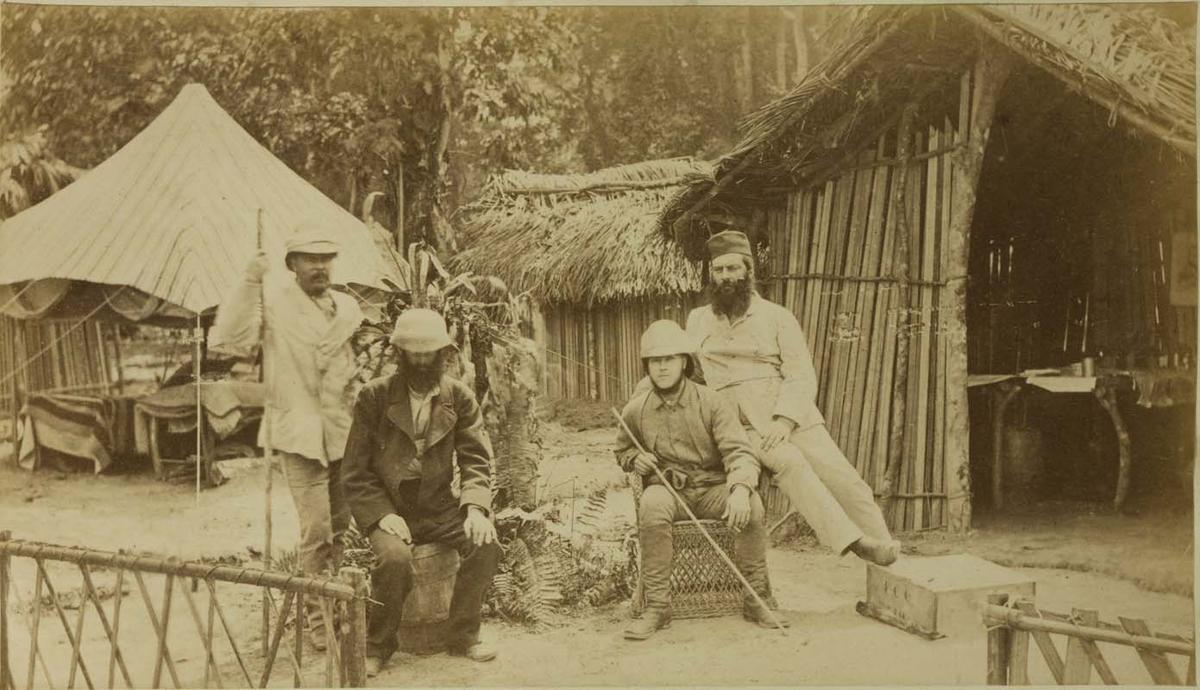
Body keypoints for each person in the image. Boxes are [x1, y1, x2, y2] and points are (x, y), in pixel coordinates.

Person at [685, 230, 900, 566]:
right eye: (719, 271)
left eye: (733, 269)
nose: (726, 278)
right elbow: (690, 373)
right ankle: (853, 542)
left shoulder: (777, 316)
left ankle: (888, 557)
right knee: (791, 464)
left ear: (748, 272)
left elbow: (800, 373)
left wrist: (784, 420)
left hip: (790, 414)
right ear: (711, 275)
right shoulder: (697, 321)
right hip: (740, 427)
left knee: (846, 480)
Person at [210, 223, 363, 646]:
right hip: (299, 433)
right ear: (291, 265)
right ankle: (318, 622)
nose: (320, 267)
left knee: (340, 525)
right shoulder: (273, 303)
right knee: (315, 531)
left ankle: (337, 607)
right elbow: (227, 339)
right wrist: (248, 280)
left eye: (325, 259)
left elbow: (355, 365)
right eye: (310, 259)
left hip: (342, 431)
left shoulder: (348, 308)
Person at [342, 308, 500, 677]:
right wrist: (382, 515)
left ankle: (463, 635)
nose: (423, 360)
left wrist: (475, 508)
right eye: (415, 353)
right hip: (390, 507)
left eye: (431, 353)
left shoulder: (459, 397)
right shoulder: (374, 397)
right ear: (400, 353)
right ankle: (378, 646)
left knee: (485, 543)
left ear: (443, 354)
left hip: (439, 506)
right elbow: (355, 471)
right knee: (395, 559)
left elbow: (476, 459)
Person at [615, 320, 783, 641]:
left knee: (752, 504)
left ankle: (756, 598)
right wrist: (636, 459)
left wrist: (739, 489)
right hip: (670, 492)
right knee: (651, 504)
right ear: (646, 366)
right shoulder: (637, 409)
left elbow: (740, 453)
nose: (662, 367)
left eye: (669, 359)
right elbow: (622, 450)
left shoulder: (712, 402)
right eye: (654, 361)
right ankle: (658, 607)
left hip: (712, 489)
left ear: (684, 362)